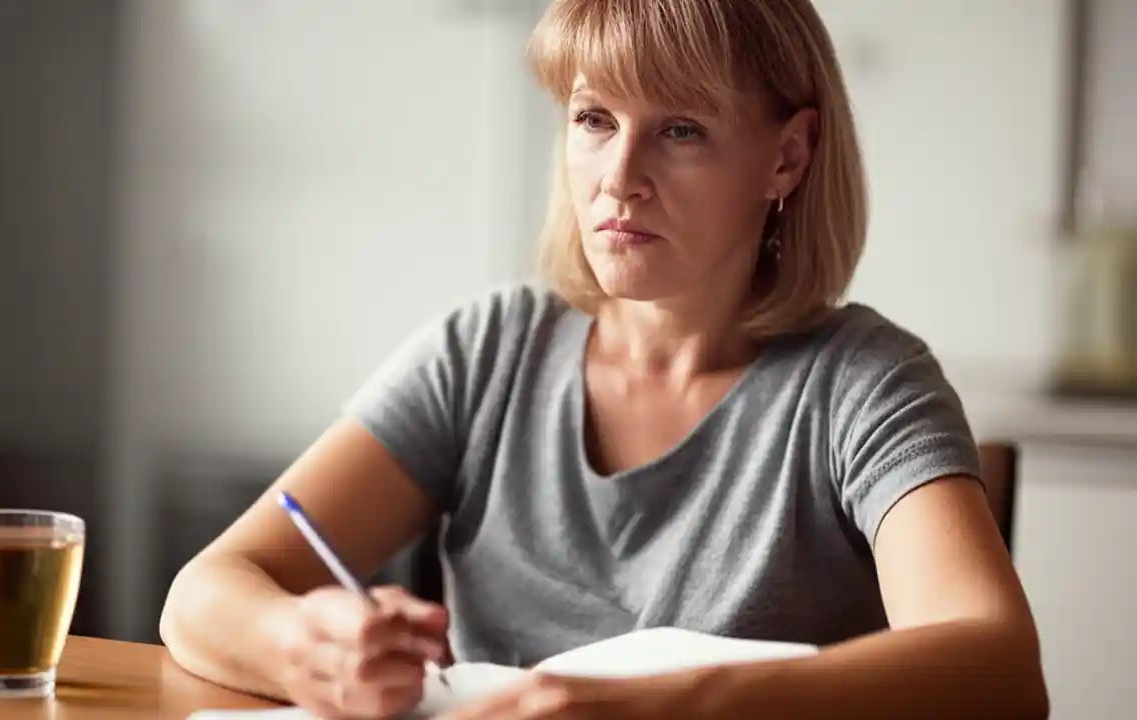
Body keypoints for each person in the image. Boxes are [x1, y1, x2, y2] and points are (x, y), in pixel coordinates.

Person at [160, 1, 1049, 718]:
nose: (618, 175)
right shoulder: (487, 354)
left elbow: (1000, 670)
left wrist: (668, 706)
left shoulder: (864, 385)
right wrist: (310, 647)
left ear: (789, 154)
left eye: (681, 131)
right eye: (594, 119)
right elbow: (206, 594)